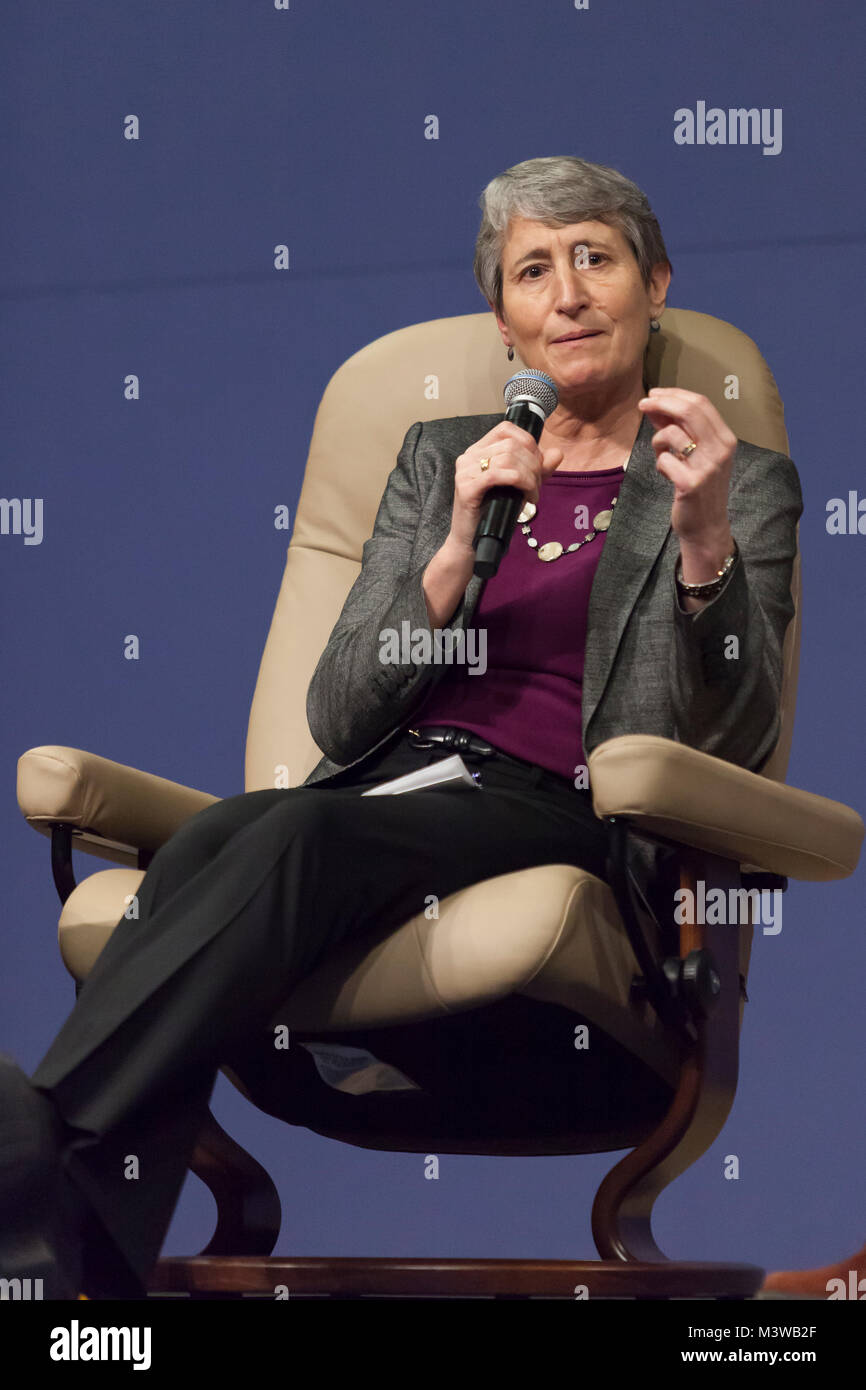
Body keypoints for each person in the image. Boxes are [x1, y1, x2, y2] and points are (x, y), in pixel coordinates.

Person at [0, 155, 802, 1300]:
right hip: (393, 793)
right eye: (533, 269)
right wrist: (446, 556)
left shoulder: (733, 479)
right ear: (506, 322)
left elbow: (733, 731)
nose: (566, 291)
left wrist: (703, 540)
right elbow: (339, 711)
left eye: (595, 258)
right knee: (226, 836)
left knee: (283, 838)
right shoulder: (442, 460)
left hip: (560, 809)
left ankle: (24, 1148)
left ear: (653, 284)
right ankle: (65, 1251)